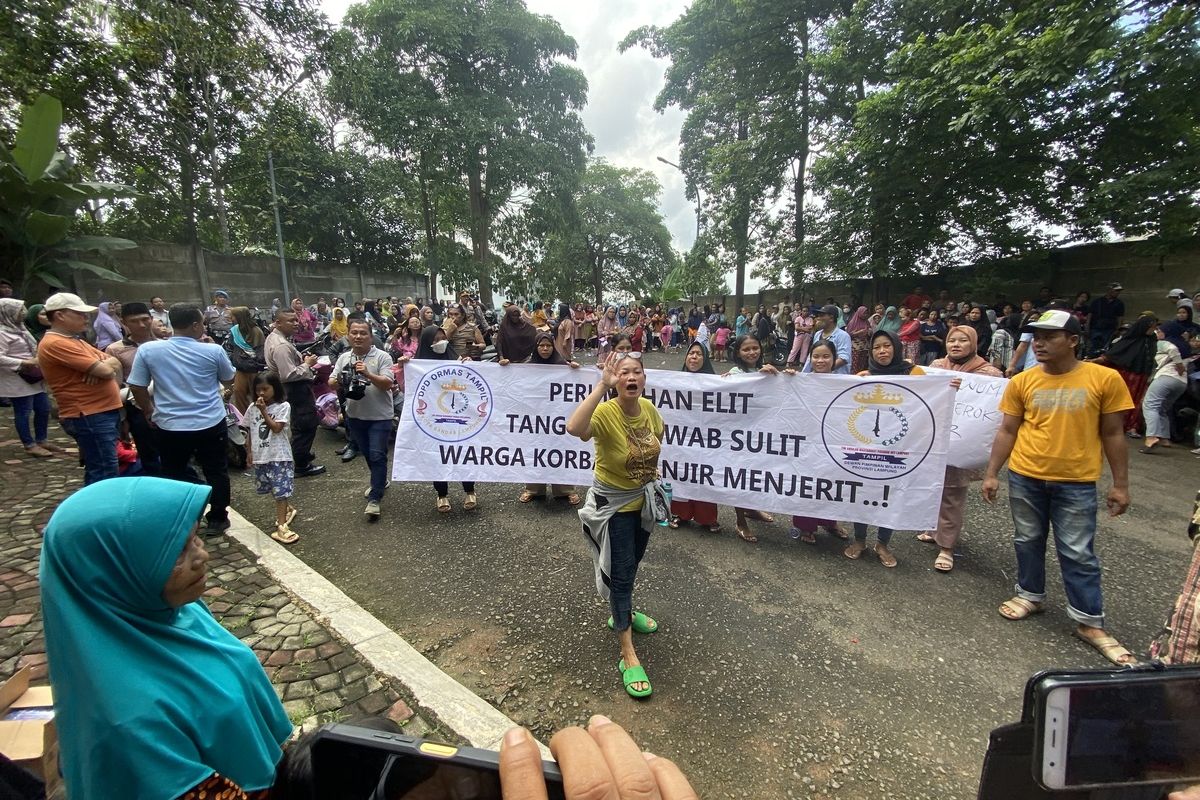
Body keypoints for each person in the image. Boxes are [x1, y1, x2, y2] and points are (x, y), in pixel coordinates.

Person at [39, 478, 294, 800]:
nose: (201, 556)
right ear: (110, 575)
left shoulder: (171, 613)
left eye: (194, 538)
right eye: (176, 553)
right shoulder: (130, 723)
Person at [982, 308, 1135, 665]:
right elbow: (1008, 430)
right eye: (1037, 338)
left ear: (1073, 340)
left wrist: (1120, 485)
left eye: (1050, 337)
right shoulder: (1023, 381)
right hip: (1025, 474)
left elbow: (1113, 434)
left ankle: (1088, 620)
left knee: (1078, 551)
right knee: (1026, 539)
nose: (1040, 344)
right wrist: (992, 473)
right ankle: (1030, 595)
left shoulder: (1103, 379)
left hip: (1077, 481)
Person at [567, 351, 665, 699]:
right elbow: (575, 428)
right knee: (621, 573)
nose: (630, 377)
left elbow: (655, 448)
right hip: (614, 507)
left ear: (644, 378)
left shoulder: (651, 410)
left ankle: (622, 611)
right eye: (623, 373)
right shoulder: (606, 412)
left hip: (643, 504)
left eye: (636, 371)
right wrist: (600, 387)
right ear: (616, 380)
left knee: (631, 565)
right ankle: (627, 654)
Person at [128, 304, 236, 535]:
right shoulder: (213, 351)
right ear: (196, 325)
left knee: (173, 471)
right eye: (202, 323)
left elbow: (136, 385)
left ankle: (181, 515)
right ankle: (218, 518)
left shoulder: (149, 350)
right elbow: (228, 380)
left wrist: (148, 409)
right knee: (216, 470)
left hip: (170, 424)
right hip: (210, 422)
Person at [917, 326, 1000, 572]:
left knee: (953, 494)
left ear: (974, 344)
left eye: (963, 340)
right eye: (951, 340)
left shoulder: (989, 375)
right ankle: (933, 530)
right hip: (933, 441)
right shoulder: (937, 367)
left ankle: (947, 547)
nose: (955, 344)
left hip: (961, 443)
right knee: (933, 489)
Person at [844, 329, 925, 567]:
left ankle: (883, 543)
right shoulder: (865, 375)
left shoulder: (915, 373)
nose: (882, 351)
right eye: (877, 347)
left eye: (887, 346)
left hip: (899, 446)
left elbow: (932, 399)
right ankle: (859, 540)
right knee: (863, 491)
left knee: (891, 493)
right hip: (867, 444)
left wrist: (949, 387)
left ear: (897, 348)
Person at [37, 292, 124, 483]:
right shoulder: (56, 343)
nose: (86, 318)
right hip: (88, 414)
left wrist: (104, 367)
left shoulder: (74, 339)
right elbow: (107, 371)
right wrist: (102, 368)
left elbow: (115, 361)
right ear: (60, 315)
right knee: (104, 471)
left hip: (99, 412)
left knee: (103, 466)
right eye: (79, 314)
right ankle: (99, 511)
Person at [331, 316, 396, 521]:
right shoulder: (343, 358)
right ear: (348, 335)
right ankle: (380, 480)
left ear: (371, 336)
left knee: (377, 454)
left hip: (380, 416)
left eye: (363, 333)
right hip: (355, 415)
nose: (358, 337)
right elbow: (332, 381)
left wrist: (367, 374)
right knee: (368, 454)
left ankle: (375, 498)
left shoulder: (383, 357)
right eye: (354, 333)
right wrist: (338, 380)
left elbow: (387, 384)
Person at [725, 333, 788, 543]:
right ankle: (740, 520)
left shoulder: (767, 370)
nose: (751, 352)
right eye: (746, 349)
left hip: (761, 432)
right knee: (739, 477)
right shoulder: (735, 372)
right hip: (739, 434)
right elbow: (729, 389)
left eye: (755, 348)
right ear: (738, 353)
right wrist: (753, 378)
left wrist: (786, 376)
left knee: (756, 474)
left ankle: (753, 510)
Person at [510, 332, 582, 506]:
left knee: (560, 452)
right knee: (535, 451)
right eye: (541, 345)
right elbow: (513, 384)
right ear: (536, 347)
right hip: (535, 419)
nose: (544, 349)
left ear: (553, 347)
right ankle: (533, 489)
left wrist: (576, 371)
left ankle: (566, 490)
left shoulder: (562, 365)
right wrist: (504, 367)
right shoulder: (527, 366)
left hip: (557, 418)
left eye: (548, 345)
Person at [789, 340, 847, 544]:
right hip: (806, 442)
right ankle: (805, 527)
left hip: (833, 442)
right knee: (806, 484)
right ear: (810, 358)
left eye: (825, 356)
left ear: (834, 359)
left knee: (832, 483)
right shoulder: (800, 380)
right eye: (816, 356)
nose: (820, 360)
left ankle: (831, 522)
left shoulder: (846, 383)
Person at [417, 325, 478, 512]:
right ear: (427, 343)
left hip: (459, 419)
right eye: (435, 340)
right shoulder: (417, 365)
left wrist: (469, 365)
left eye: (442, 338)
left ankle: (470, 490)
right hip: (433, 421)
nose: (440, 343)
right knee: (438, 456)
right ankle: (441, 494)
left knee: (463, 453)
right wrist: (405, 365)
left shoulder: (456, 359)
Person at [265, 308, 326, 477]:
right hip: (295, 388)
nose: (295, 323)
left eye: (295, 320)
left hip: (290, 388)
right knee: (305, 424)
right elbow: (288, 374)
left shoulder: (275, 338)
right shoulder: (281, 346)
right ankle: (301, 464)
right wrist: (308, 364)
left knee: (299, 423)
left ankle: (300, 455)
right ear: (278, 322)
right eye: (290, 320)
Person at [669, 342, 722, 533]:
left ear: (705, 358)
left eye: (699, 354)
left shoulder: (718, 383)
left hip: (706, 439)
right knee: (680, 473)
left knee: (704, 475)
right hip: (681, 439)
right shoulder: (672, 381)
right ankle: (679, 514)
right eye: (691, 353)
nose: (694, 357)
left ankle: (707, 518)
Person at [241, 371, 299, 543]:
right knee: (272, 488)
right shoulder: (253, 408)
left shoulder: (283, 406)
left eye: (265, 389)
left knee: (281, 490)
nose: (261, 394)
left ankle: (281, 526)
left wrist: (264, 412)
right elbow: (250, 429)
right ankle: (287, 509)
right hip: (261, 455)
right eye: (258, 390)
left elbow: (276, 428)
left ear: (275, 388)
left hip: (279, 455)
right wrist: (249, 452)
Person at [105, 301, 163, 473]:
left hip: (168, 402)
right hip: (136, 407)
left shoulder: (165, 345)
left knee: (177, 449)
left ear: (152, 319)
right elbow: (115, 386)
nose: (142, 325)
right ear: (124, 322)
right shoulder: (115, 350)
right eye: (134, 321)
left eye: (145, 319)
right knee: (149, 453)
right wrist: (122, 419)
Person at [0, 298, 60, 458]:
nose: (24, 313)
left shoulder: (21, 329)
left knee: (43, 408)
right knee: (24, 411)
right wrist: (23, 362)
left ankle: (42, 439)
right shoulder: (2, 333)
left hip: (33, 375)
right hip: (17, 377)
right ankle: (29, 444)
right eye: (20, 310)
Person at [1091, 314, 1158, 437]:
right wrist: (1094, 361)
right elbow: (1114, 355)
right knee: (1122, 400)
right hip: (1127, 375)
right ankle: (1114, 424)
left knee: (1136, 401)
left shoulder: (1151, 341)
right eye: (1151, 327)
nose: (1153, 330)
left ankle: (1132, 426)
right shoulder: (1131, 340)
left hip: (1141, 376)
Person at [1139, 328, 1188, 453]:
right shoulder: (1183, 345)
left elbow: (1172, 350)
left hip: (1166, 377)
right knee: (1162, 409)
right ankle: (1164, 438)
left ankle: (1152, 437)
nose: (1157, 333)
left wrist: (1179, 365)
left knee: (1150, 405)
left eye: (1159, 330)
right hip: (1181, 382)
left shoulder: (1162, 342)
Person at [227, 306, 266, 415]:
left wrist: (256, 365)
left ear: (240, 317)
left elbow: (260, 351)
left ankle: (259, 416)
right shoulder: (235, 331)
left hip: (253, 369)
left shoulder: (256, 331)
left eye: (233, 316)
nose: (231, 319)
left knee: (256, 394)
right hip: (240, 368)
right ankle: (243, 419)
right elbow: (230, 347)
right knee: (239, 392)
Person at [801, 305, 851, 374]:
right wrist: (804, 375)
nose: (818, 318)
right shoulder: (817, 334)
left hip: (836, 379)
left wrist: (824, 369)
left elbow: (843, 358)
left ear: (831, 318)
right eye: (818, 316)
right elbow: (811, 357)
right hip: (819, 378)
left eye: (821, 316)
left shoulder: (843, 336)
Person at [1088, 282, 1125, 356]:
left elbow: (1120, 317)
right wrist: (1087, 327)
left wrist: (1118, 329)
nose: (1118, 293)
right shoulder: (1097, 302)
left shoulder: (1119, 303)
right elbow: (1090, 314)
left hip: (1109, 330)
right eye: (1116, 290)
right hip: (1096, 328)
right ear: (1110, 290)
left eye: (1119, 291)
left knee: (1105, 349)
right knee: (1093, 348)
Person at [844, 306, 872, 373]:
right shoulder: (852, 322)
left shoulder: (867, 322)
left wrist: (869, 332)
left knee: (863, 363)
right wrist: (859, 332)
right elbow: (848, 335)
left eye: (867, 314)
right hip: (855, 347)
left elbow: (870, 333)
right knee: (855, 363)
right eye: (864, 313)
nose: (865, 315)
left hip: (865, 346)